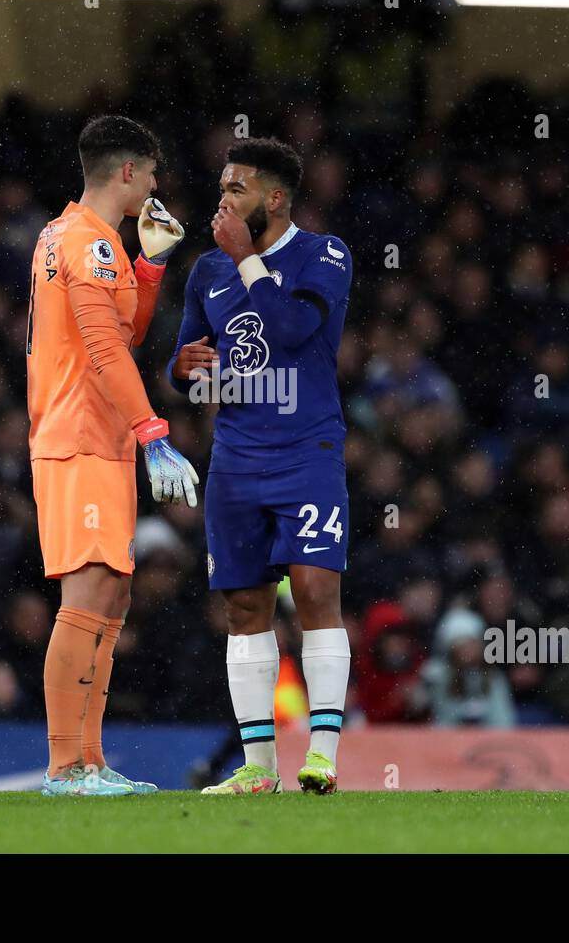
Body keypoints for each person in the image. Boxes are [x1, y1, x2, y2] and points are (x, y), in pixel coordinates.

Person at [167, 137, 353, 794]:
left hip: (308, 452)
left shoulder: (324, 255)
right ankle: (257, 769)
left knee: (314, 593)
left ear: (274, 199)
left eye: (236, 190)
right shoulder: (206, 271)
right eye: (221, 188)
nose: (223, 201)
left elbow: (291, 330)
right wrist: (186, 370)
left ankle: (323, 755)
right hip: (236, 459)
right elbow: (184, 361)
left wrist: (246, 260)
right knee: (245, 608)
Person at [27, 115, 199, 797]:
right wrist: (154, 430)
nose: (156, 186)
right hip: (81, 437)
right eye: (152, 173)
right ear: (127, 171)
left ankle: (89, 763)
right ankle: (65, 767)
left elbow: (122, 331)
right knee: (90, 590)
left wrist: (150, 264)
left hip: (96, 437)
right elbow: (105, 351)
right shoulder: (88, 246)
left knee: (113, 592)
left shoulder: (73, 236)